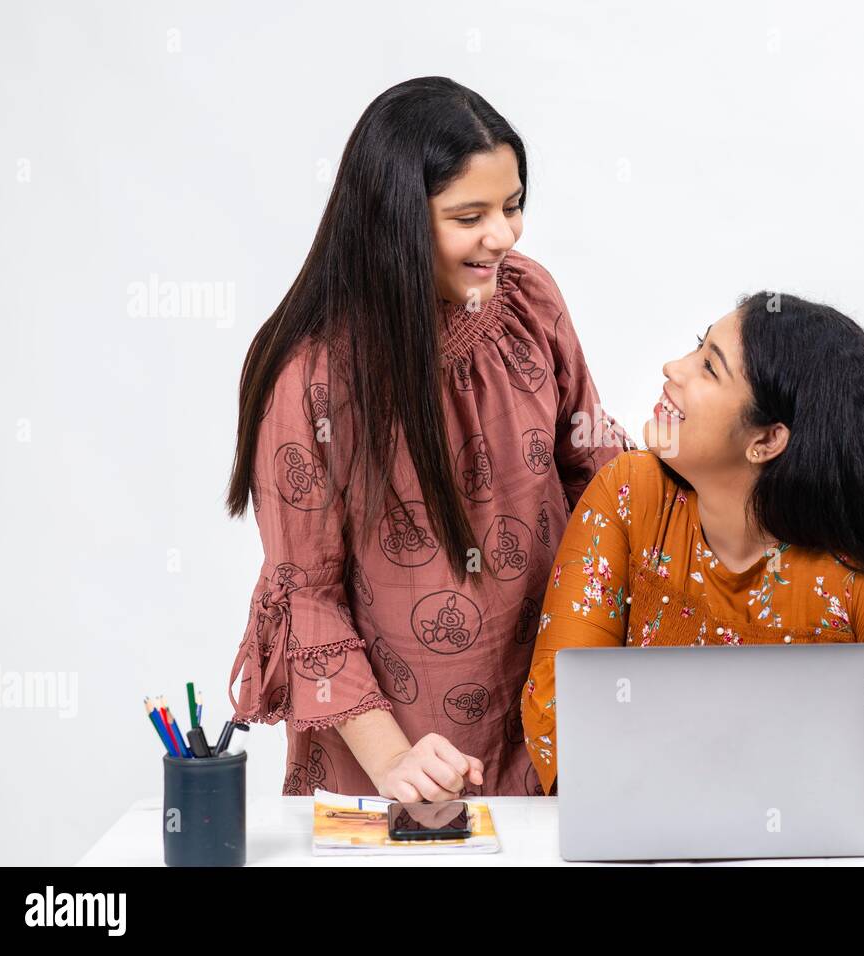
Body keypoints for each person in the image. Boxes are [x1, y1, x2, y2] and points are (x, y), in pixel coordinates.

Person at [223, 77, 633, 800]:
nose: (502, 236)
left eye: (512, 207)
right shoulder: (313, 380)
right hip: (389, 747)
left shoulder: (528, 300)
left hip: (543, 699)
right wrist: (391, 760)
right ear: (394, 223)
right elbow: (308, 596)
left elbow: (593, 468)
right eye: (468, 215)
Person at [522, 292, 864, 807]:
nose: (673, 368)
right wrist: (695, 790)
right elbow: (556, 713)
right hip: (641, 836)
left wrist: (814, 781)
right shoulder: (629, 495)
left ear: (768, 440)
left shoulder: (846, 577)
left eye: (710, 368)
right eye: (697, 346)